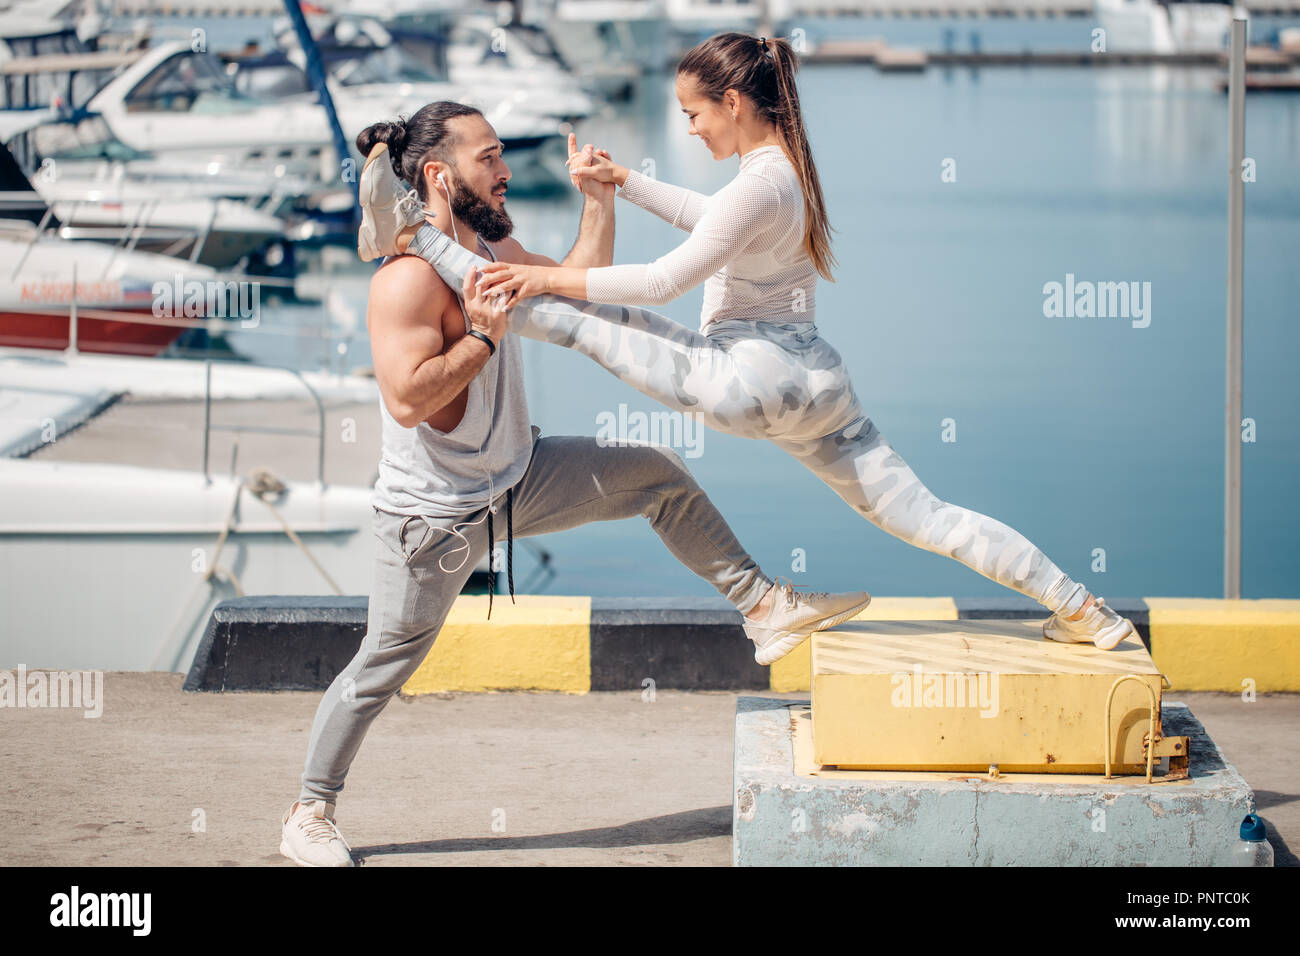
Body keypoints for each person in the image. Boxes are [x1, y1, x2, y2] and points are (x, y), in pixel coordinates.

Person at [361, 32, 1140, 653]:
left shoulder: (762, 181)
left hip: (743, 378)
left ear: (733, 101)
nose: (691, 128)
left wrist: (546, 281)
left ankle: (419, 238)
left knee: (582, 315)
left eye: (695, 115)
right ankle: (1086, 611)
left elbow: (665, 282)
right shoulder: (778, 174)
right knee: (933, 518)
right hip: (816, 387)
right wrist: (624, 181)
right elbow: (709, 218)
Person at [280, 101, 872, 867]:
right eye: (489, 157)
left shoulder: (490, 244)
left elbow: (570, 285)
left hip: (521, 477)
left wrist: (599, 201)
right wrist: (487, 336)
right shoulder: (406, 281)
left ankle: (764, 608)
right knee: (381, 668)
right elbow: (407, 398)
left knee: (659, 476)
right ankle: (308, 813)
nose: (505, 170)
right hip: (432, 518)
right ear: (438, 173)